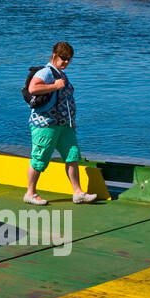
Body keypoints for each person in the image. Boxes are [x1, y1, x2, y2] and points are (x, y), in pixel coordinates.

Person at [25, 41, 97, 205]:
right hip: (46, 124)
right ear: (54, 55)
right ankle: (30, 193)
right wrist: (54, 86)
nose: (66, 62)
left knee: (72, 156)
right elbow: (32, 89)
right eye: (63, 58)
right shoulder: (46, 72)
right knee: (40, 158)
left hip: (64, 125)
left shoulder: (61, 73)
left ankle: (78, 193)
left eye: (69, 59)